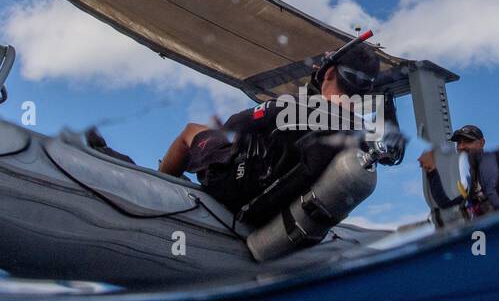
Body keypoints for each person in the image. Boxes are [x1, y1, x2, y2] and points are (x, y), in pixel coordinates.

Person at [159, 43, 394, 221]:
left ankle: (159, 187)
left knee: (192, 130)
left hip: (235, 187)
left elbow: (234, 124)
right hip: (278, 211)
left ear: (330, 73)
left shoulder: (292, 107)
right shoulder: (361, 136)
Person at [419, 124, 499, 217]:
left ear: (481, 143)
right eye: (459, 142)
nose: (461, 147)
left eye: (468, 141)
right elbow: (446, 204)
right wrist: (431, 169)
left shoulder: (497, 170)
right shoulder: (472, 181)